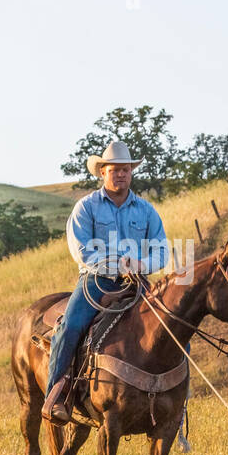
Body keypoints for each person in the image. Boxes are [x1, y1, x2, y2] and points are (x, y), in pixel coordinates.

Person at [42, 141, 168, 424]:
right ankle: (57, 396)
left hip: (137, 283)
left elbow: (161, 250)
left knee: (173, 325)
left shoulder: (146, 211)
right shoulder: (86, 207)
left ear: (131, 172)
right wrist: (118, 265)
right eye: (115, 170)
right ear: (102, 172)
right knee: (70, 326)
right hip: (96, 282)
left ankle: (176, 402)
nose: (121, 174)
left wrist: (140, 265)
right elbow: (82, 250)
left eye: (125, 169)